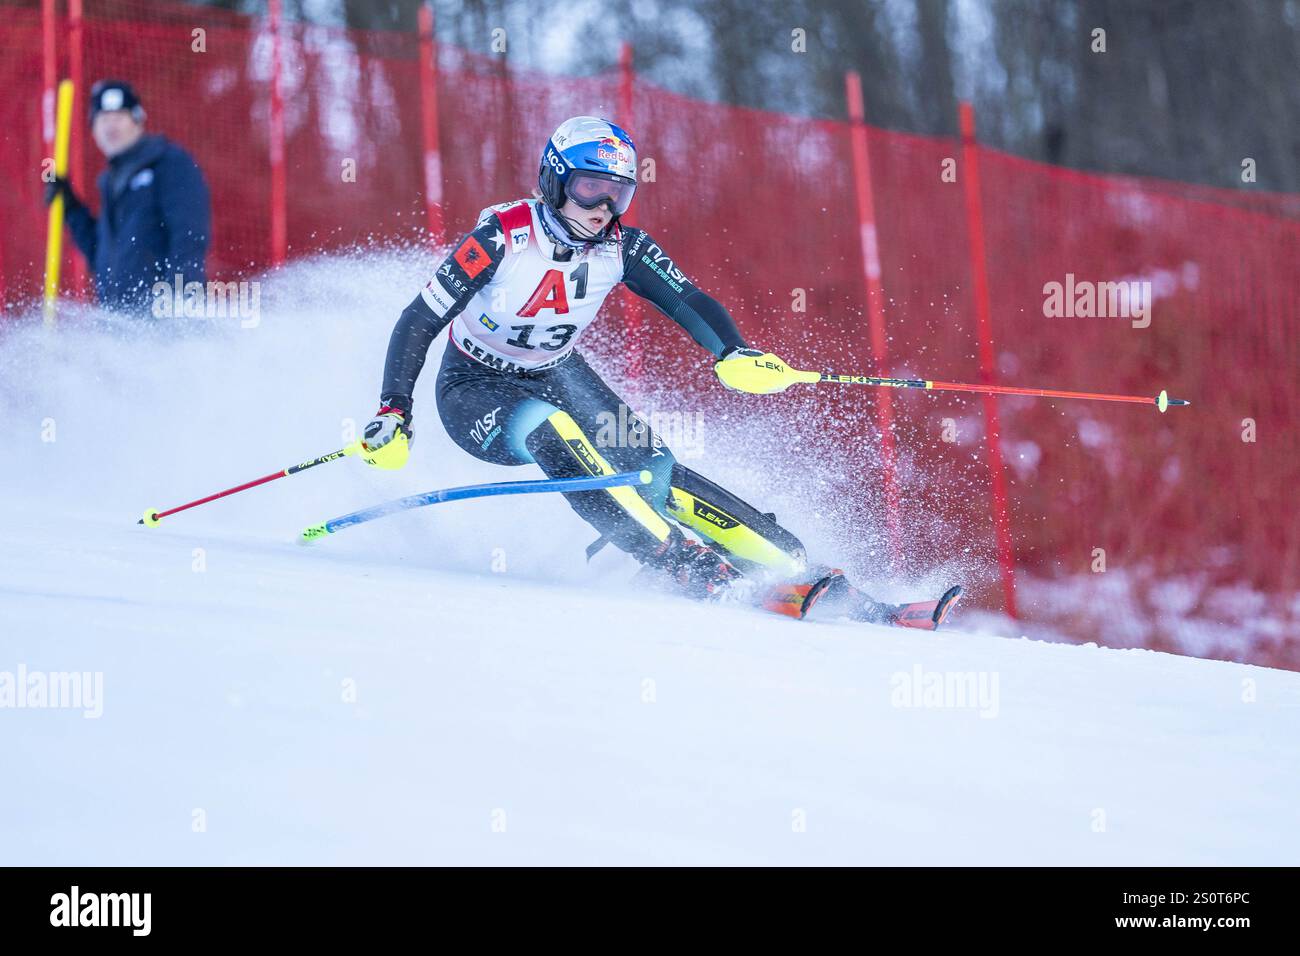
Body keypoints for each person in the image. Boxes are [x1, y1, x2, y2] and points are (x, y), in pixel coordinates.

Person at [356, 116, 959, 627]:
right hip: (474, 387)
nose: (602, 208)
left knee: (651, 468)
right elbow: (419, 320)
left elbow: (687, 300)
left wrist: (733, 351)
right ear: (554, 180)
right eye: (590, 188)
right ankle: (686, 567)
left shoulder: (625, 247)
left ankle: (798, 570)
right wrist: (394, 409)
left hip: (558, 372)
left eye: (617, 193)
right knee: (552, 433)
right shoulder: (502, 236)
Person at [44, 80, 211, 312]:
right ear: (93, 129)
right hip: (119, 326)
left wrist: (182, 305)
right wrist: (72, 208)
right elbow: (101, 256)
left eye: (119, 117)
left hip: (163, 322)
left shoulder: (169, 163)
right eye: (103, 119)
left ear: (138, 121)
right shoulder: (110, 181)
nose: (111, 127)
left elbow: (189, 237)